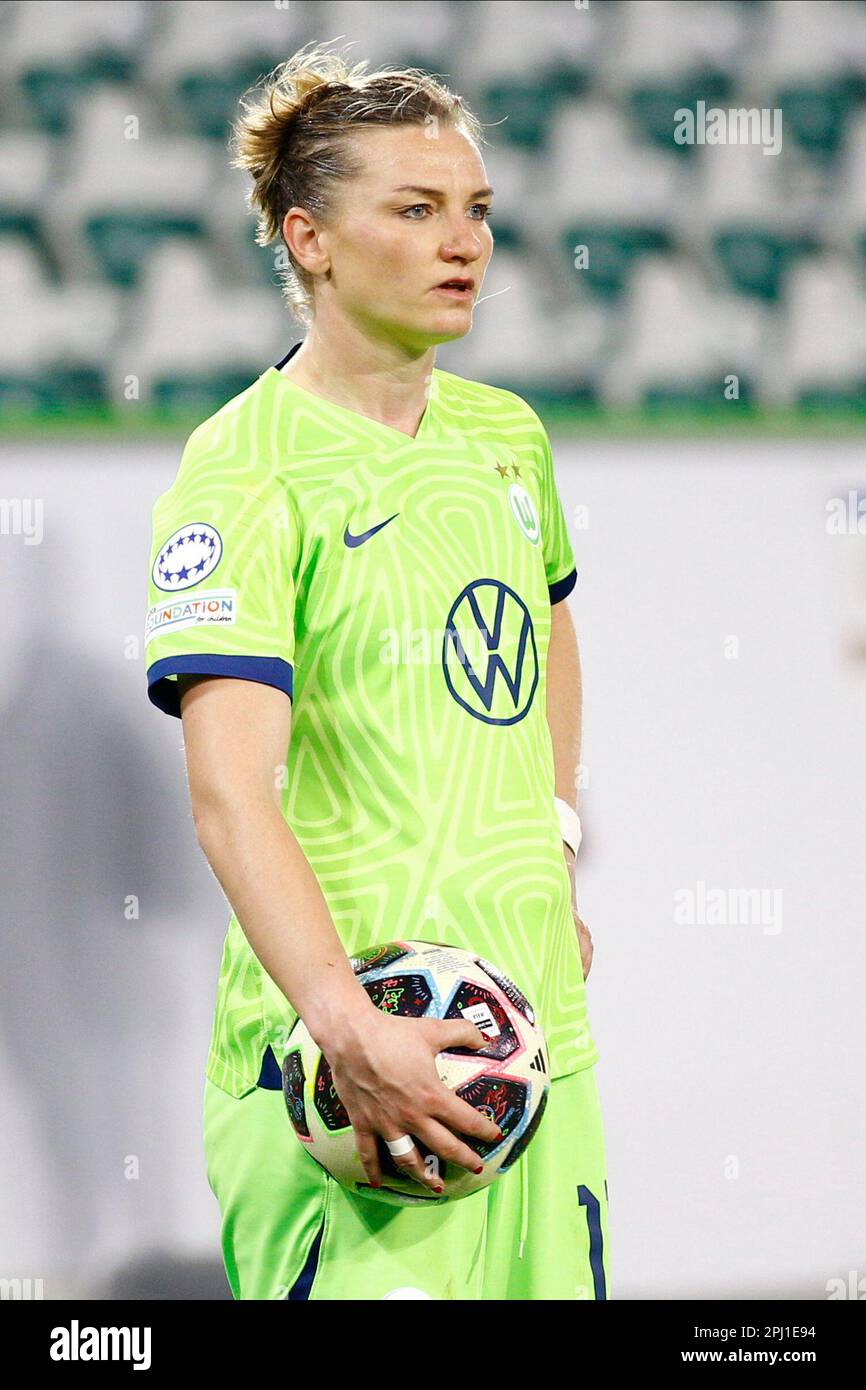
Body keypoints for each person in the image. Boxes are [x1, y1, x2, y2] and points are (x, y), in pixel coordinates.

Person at [144, 40, 610, 1301]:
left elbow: (548, 632)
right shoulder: (244, 469)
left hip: (528, 1054)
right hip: (341, 1079)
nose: (462, 242)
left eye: (475, 211)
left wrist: (553, 842)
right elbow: (227, 794)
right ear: (310, 240)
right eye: (413, 209)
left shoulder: (508, 439)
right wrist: (352, 1032)